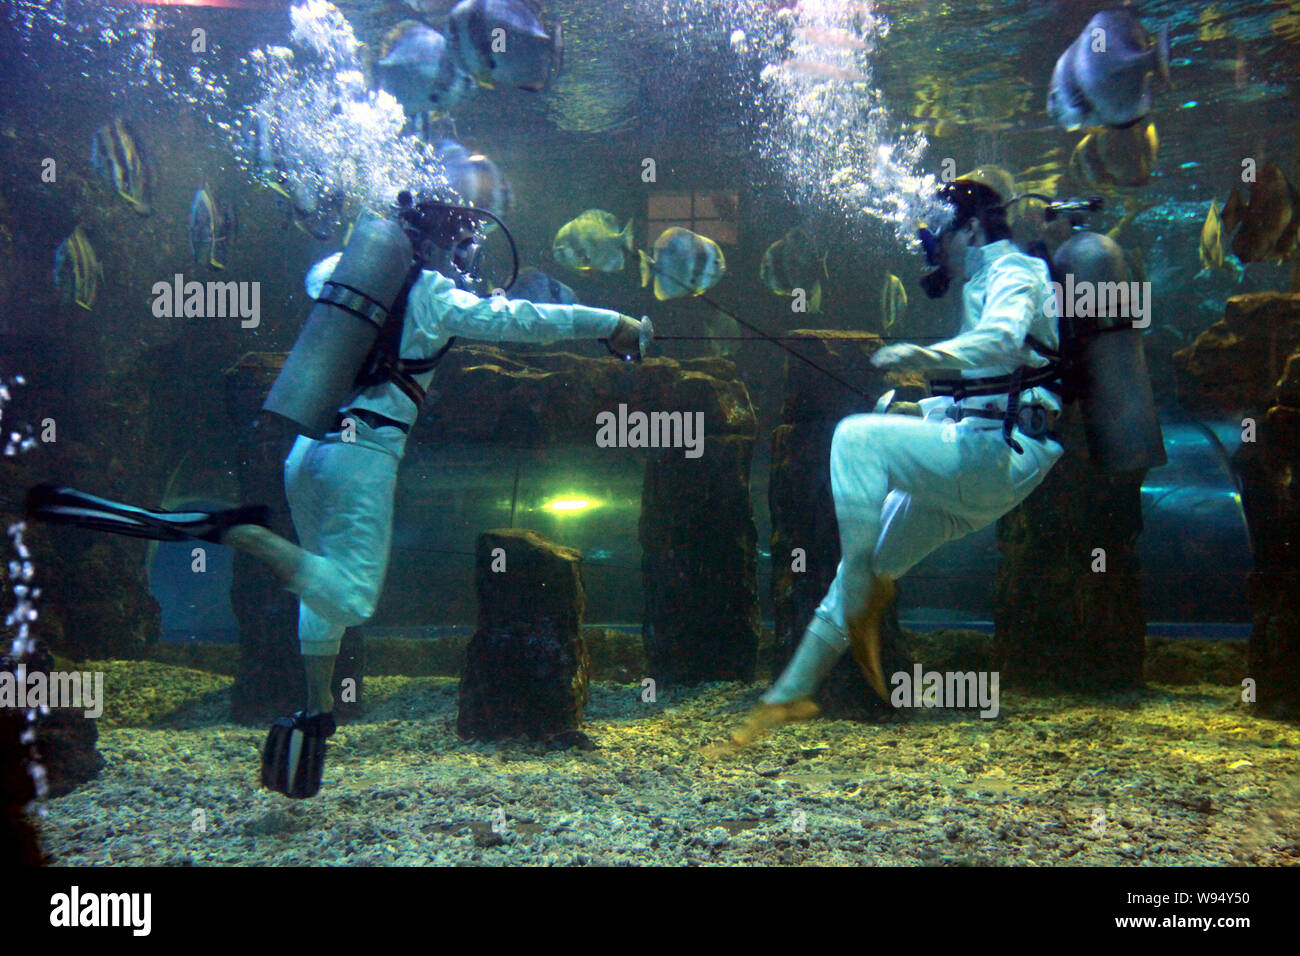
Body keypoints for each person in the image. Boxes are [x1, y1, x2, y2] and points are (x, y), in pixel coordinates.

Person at [716, 179, 1066, 752]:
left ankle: (861, 592)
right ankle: (788, 695)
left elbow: (1001, 341)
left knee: (856, 438)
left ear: (972, 230)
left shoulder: (1014, 272)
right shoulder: (982, 281)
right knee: (860, 569)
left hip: (1001, 456)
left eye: (940, 237)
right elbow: (999, 383)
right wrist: (926, 410)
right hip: (981, 460)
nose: (934, 252)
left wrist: (925, 355)